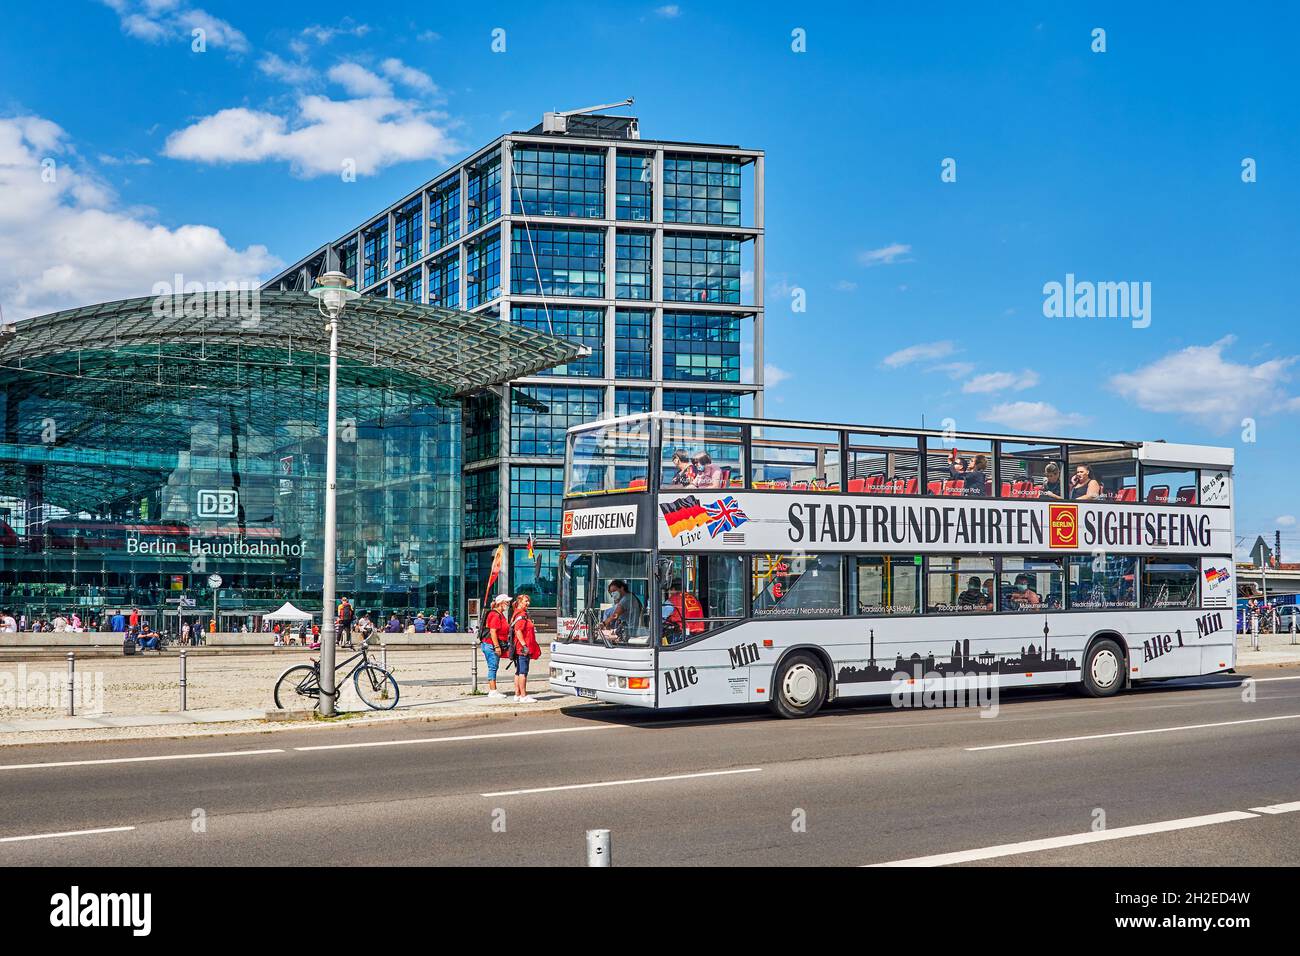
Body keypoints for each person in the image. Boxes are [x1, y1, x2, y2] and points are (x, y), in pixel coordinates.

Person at [509, 594, 542, 703]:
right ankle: (523, 696)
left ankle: (517, 694)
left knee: (518, 671)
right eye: (525, 601)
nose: (528, 603)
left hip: (519, 647)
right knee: (523, 671)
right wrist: (524, 645)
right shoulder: (522, 615)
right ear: (519, 602)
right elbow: (518, 631)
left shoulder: (516, 614)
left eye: (528, 601)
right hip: (523, 648)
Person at [481, 594, 511, 699]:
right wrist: (497, 646)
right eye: (507, 602)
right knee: (493, 667)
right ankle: (492, 691)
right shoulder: (495, 615)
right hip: (491, 645)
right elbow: (493, 631)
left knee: (493, 666)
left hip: (490, 644)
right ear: (500, 603)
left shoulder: (499, 614)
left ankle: (493, 689)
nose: (508, 604)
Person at [662, 578, 704, 644]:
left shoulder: (673, 600)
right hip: (699, 634)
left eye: (669, 591)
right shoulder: (694, 598)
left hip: (681, 636)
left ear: (673, 589)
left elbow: (660, 618)